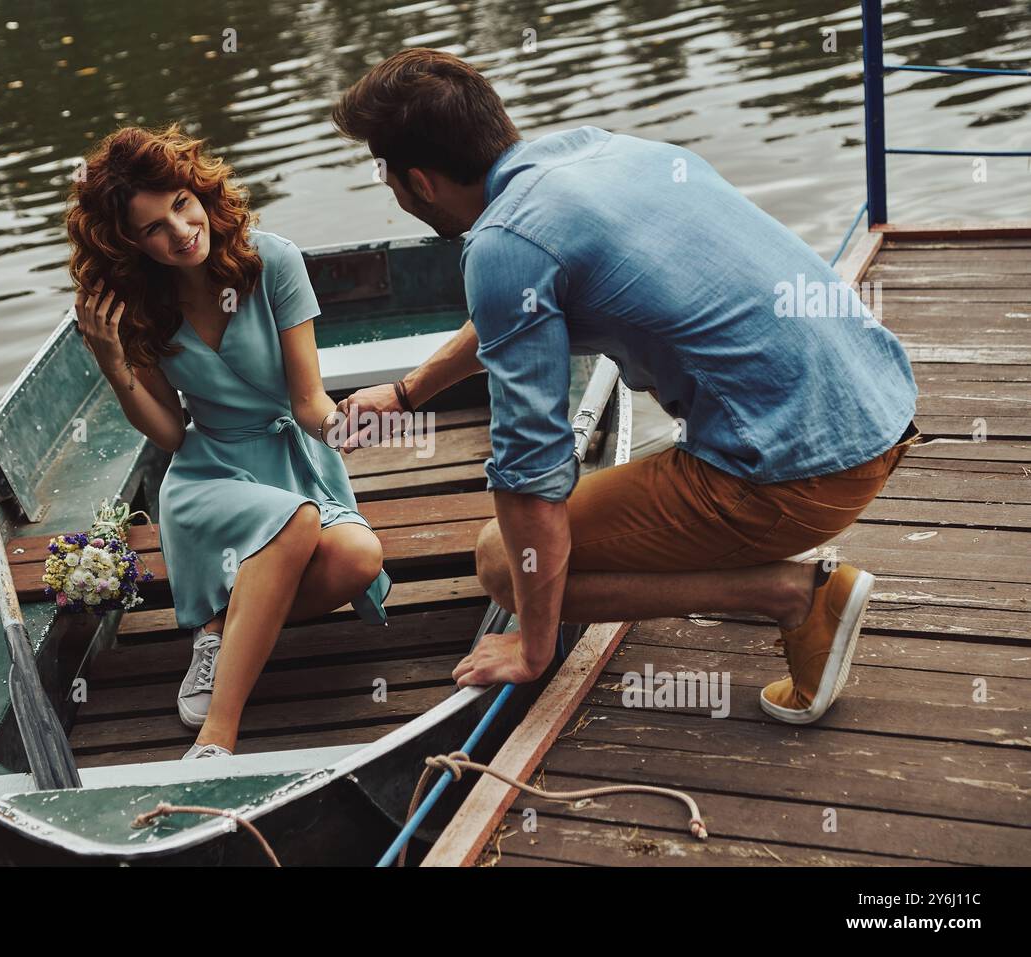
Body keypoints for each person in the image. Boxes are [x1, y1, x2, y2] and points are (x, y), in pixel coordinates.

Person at [331, 50, 919, 725]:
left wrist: (533, 640)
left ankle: (793, 594)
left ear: (419, 183)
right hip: (878, 409)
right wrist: (409, 392)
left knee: (502, 561)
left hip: (800, 474)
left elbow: (530, 477)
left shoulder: (500, 244)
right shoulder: (598, 151)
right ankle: (774, 558)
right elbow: (508, 321)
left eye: (390, 185)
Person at [66, 124, 391, 758]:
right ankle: (219, 736)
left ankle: (219, 627)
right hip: (207, 474)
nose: (180, 231)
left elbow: (308, 403)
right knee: (294, 524)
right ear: (130, 244)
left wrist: (349, 427)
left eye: (181, 205)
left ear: (200, 192)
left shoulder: (272, 262)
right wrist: (112, 362)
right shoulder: (141, 304)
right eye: (154, 227)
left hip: (295, 460)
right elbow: (168, 431)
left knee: (358, 558)